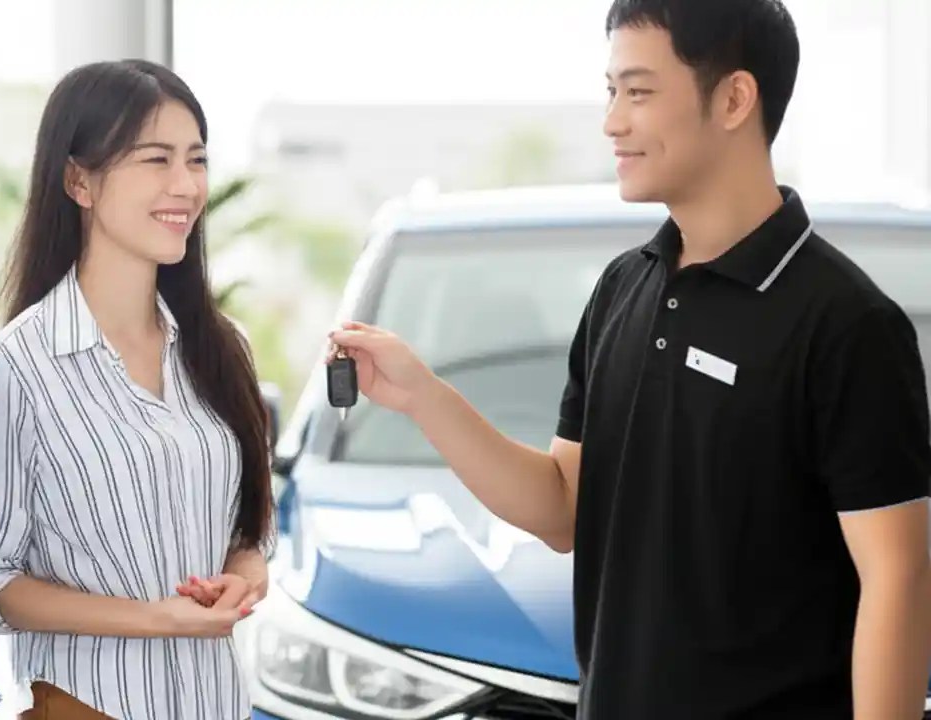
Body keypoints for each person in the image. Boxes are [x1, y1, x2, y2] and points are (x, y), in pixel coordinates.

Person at [328, 1, 931, 718]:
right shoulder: (622, 288)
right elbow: (561, 508)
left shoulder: (847, 324)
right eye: (610, 91)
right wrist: (422, 395)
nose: (613, 121)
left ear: (735, 98)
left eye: (639, 92)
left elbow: (898, 577)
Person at [0, 59, 273, 720]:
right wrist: (154, 619)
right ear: (79, 179)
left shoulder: (223, 351)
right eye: (156, 160)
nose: (185, 186)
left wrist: (243, 582)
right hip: (85, 706)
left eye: (196, 160)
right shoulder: (15, 368)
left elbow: (248, 537)